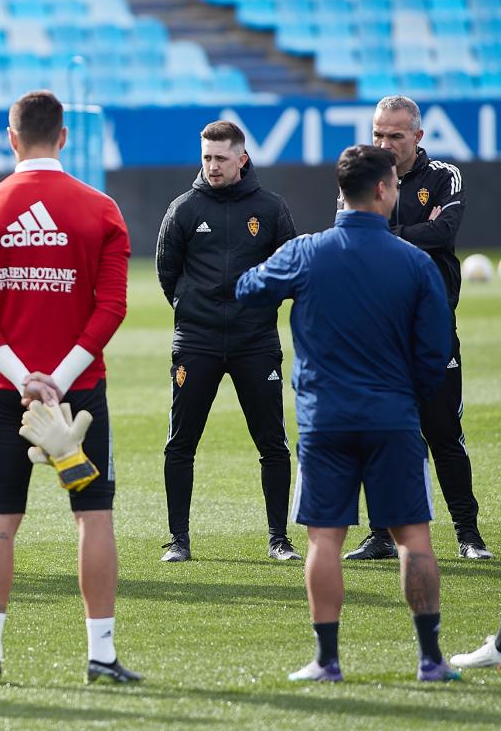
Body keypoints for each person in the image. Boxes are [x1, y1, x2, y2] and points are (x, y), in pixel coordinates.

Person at [237, 144, 459, 683]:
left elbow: (248, 290)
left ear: (340, 193)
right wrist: (406, 391)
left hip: (325, 418)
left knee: (324, 539)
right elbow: (436, 351)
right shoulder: (414, 261)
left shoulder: (308, 252)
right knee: (414, 538)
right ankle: (430, 660)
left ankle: (327, 660)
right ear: (385, 190)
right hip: (393, 417)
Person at [0, 90, 140, 685]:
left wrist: (24, 382)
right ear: (64, 137)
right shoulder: (101, 209)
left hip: (6, 394)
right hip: (79, 391)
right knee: (93, 518)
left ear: (12, 138)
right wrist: (57, 383)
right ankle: (102, 656)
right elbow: (112, 307)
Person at [342, 95, 490, 561]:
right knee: (381, 434)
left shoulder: (444, 177)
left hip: (431, 328)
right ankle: (381, 534)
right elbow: (349, 238)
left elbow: (443, 234)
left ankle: (468, 534)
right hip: (379, 330)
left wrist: (383, 233)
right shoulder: (360, 176)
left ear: (418, 137)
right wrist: (407, 235)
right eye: (378, 134)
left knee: (443, 432)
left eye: (395, 135)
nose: (383, 144)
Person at [154, 120, 299, 563]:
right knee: (181, 442)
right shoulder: (183, 209)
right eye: (206, 158)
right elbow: (167, 272)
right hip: (195, 342)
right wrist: (188, 304)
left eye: (220, 158)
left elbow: (289, 267)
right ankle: (178, 540)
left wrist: (257, 308)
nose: (212, 166)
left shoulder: (271, 209)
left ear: (242, 158)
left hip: (255, 343)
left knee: (272, 442)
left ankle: (279, 539)